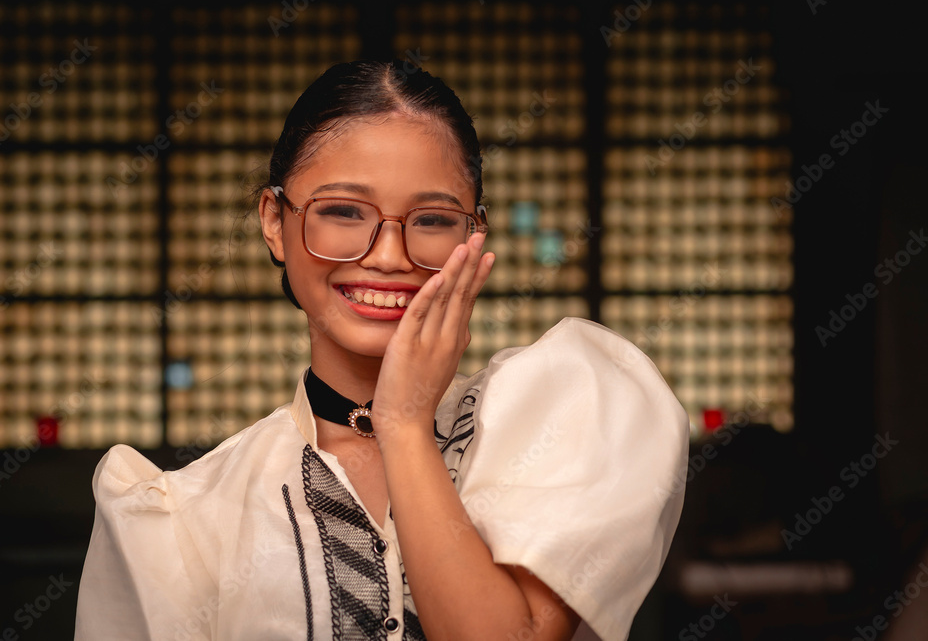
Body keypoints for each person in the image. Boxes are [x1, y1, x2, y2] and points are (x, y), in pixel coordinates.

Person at [75, 59, 689, 641]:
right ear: (273, 220)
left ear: (474, 236)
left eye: (430, 220)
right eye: (343, 211)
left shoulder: (569, 409)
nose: (390, 256)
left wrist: (403, 424)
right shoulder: (184, 517)